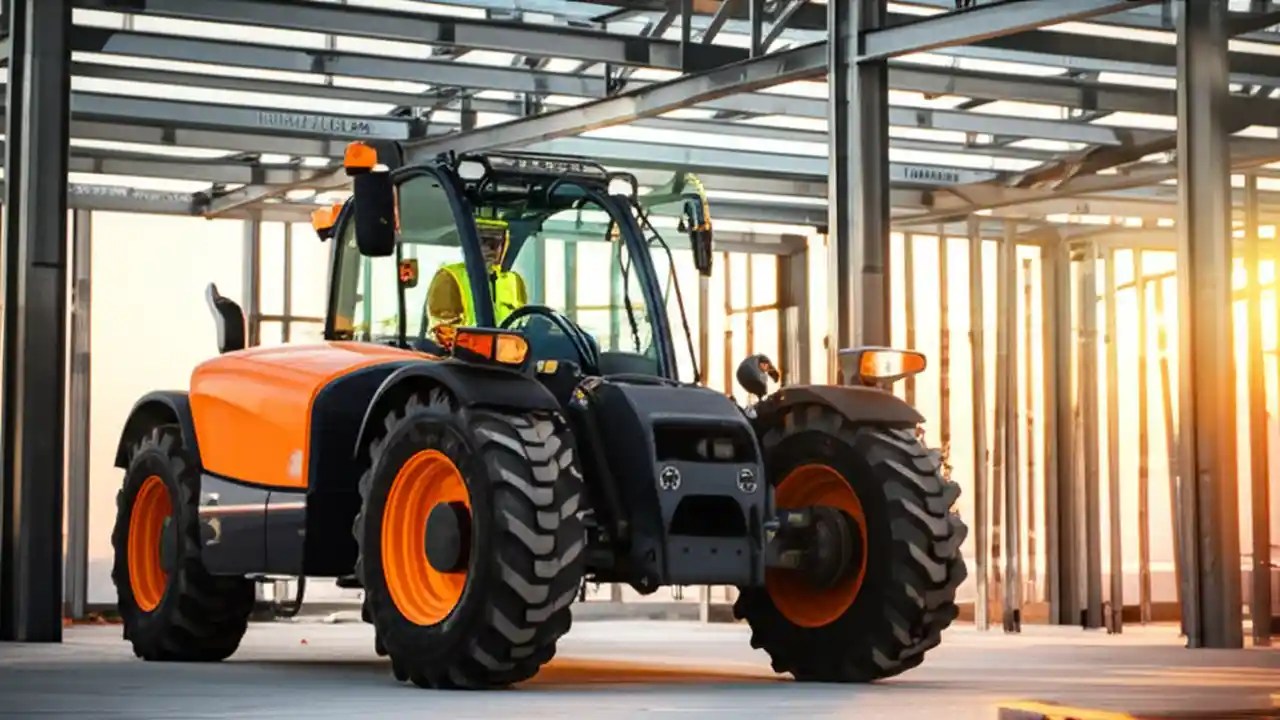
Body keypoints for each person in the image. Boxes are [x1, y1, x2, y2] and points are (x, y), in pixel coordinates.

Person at [426, 217, 528, 343]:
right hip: (465, 359)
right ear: (469, 243)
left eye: (494, 243)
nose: (488, 249)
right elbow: (443, 331)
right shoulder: (449, 276)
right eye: (481, 241)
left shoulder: (514, 280)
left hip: (508, 356)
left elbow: (523, 323)